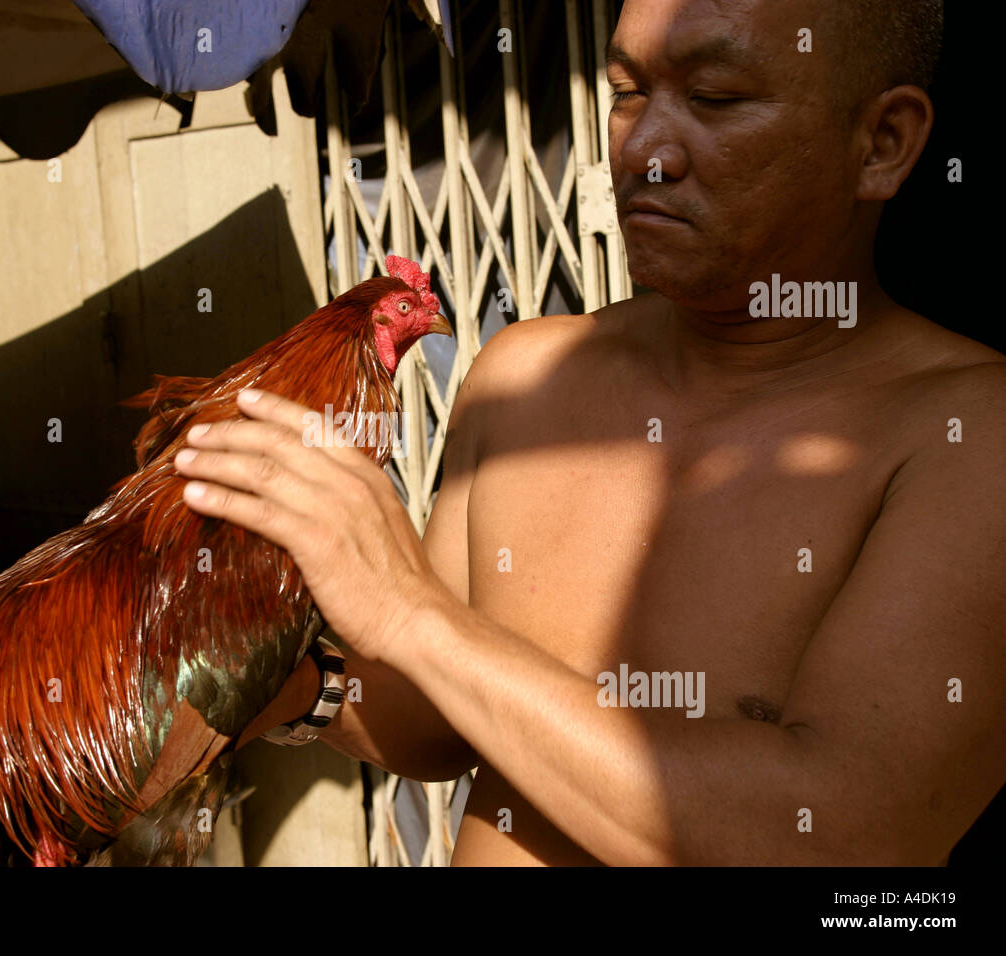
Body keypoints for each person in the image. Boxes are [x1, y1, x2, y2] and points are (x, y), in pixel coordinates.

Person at [183, 0, 1004, 865]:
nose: (647, 151)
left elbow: (835, 833)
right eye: (625, 92)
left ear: (883, 144)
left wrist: (410, 615)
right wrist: (280, 679)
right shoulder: (526, 377)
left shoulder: (966, 434)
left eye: (717, 99)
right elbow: (434, 717)